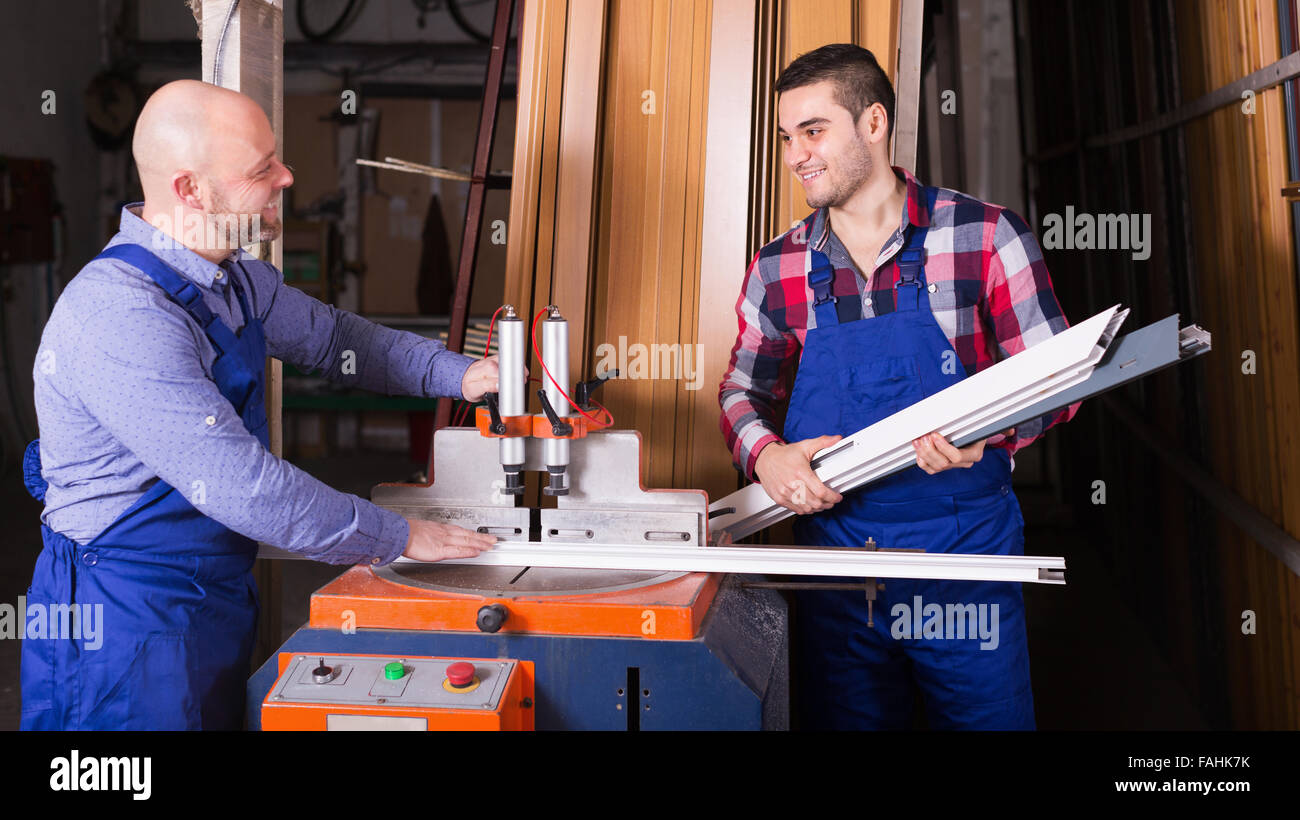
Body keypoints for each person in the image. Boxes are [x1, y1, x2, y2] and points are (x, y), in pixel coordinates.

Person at [21, 80, 498, 730]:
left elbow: (337, 340)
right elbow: (241, 485)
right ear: (191, 190)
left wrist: (465, 377)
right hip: (124, 620)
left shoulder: (232, 277)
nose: (288, 176)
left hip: (204, 595)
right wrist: (398, 535)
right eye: (262, 168)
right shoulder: (121, 315)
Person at [718, 44, 1079, 730]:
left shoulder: (987, 236)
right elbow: (742, 389)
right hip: (839, 575)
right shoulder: (778, 268)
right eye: (787, 137)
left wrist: (988, 435)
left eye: (815, 131)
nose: (796, 155)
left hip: (964, 566)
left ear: (874, 123)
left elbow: (1060, 381)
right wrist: (766, 456)